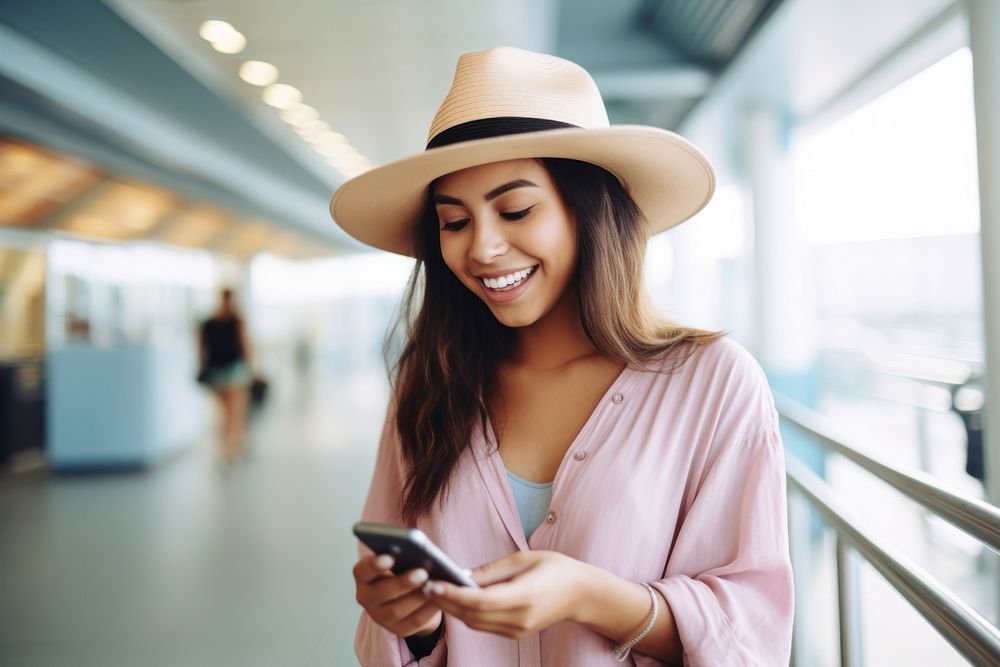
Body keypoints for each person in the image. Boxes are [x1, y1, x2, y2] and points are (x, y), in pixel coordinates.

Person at [331, 46, 793, 666]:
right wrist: (411, 623)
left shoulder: (712, 381)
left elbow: (752, 631)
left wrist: (591, 595)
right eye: (453, 222)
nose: (484, 248)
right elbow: (389, 636)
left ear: (589, 209)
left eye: (516, 210)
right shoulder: (430, 378)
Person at [199, 288, 253, 466]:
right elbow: (246, 348)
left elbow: (201, 351)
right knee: (232, 414)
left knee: (228, 414)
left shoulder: (210, 323)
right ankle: (230, 447)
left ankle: (229, 447)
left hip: (222, 371)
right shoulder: (234, 322)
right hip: (231, 372)